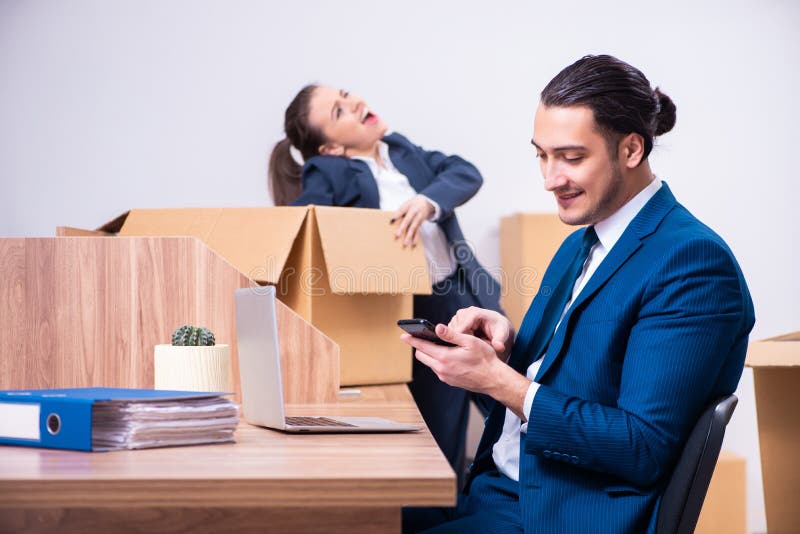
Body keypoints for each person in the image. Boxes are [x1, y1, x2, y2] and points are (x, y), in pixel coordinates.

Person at [400, 55, 755, 533]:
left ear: (631, 150)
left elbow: (642, 448)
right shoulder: (581, 243)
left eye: (571, 157)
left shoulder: (693, 263)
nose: (550, 179)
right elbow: (568, 380)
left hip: (560, 516)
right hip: (499, 490)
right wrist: (503, 356)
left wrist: (498, 381)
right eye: (542, 155)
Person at [268, 85, 503, 490]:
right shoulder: (331, 172)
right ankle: (440, 514)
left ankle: (500, 494)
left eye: (346, 95)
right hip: (413, 309)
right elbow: (304, 221)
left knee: (502, 406)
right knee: (439, 426)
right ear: (331, 149)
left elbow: (466, 173)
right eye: (339, 112)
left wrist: (428, 201)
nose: (356, 103)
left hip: (462, 295)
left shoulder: (400, 149)